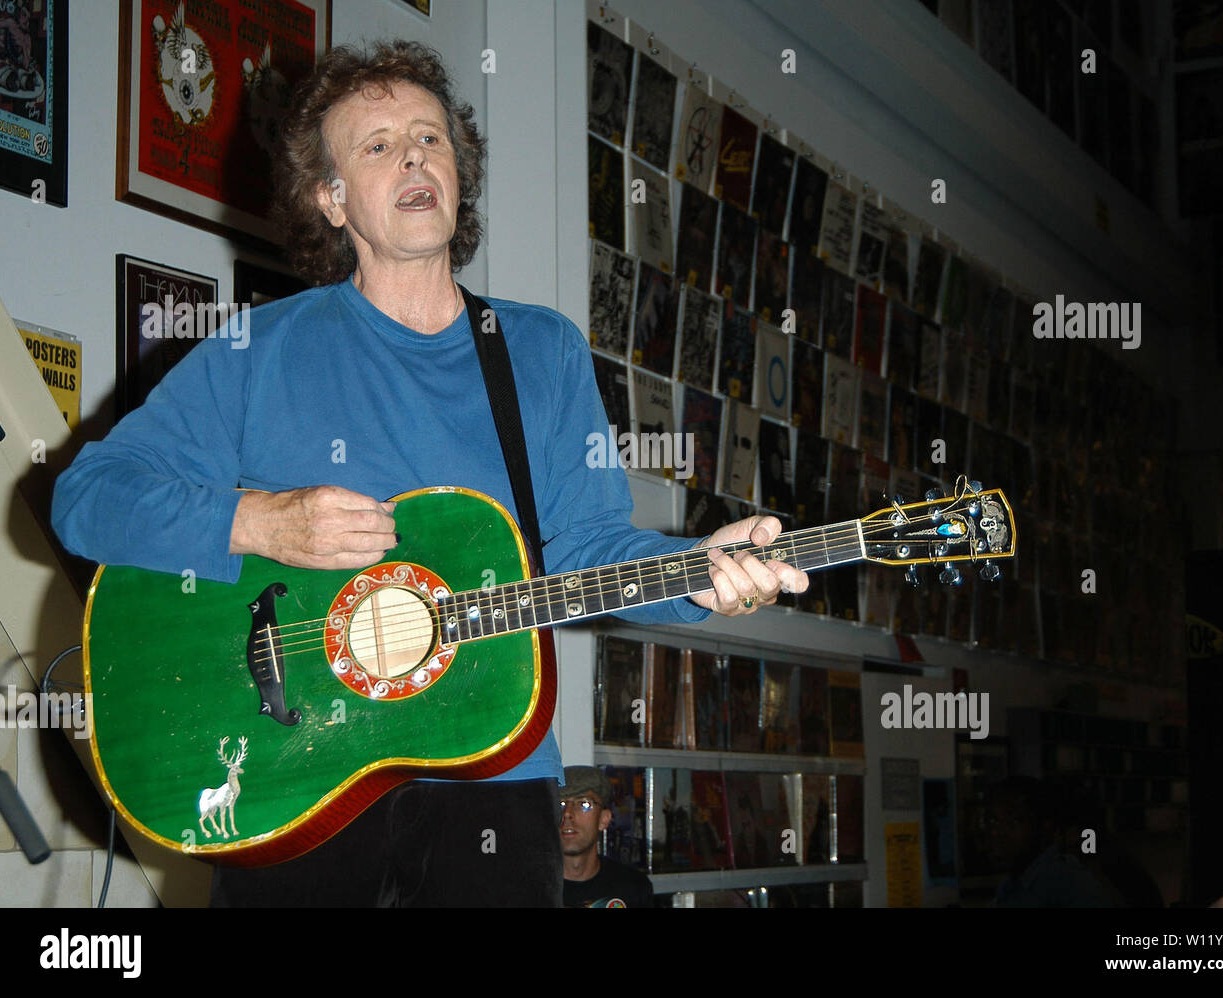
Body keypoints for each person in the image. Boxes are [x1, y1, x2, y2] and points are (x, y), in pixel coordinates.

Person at [50, 39, 808, 907]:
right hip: (297, 782)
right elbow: (85, 499)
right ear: (330, 199)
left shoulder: (539, 350)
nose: (414, 156)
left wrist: (695, 578)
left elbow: (585, 545)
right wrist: (255, 523)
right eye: (377, 146)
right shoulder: (257, 352)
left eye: (431, 138)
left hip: (495, 779)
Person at [560, 767, 652, 908]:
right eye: (560, 804)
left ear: (604, 819)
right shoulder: (526, 888)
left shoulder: (633, 888)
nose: (567, 813)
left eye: (584, 804)